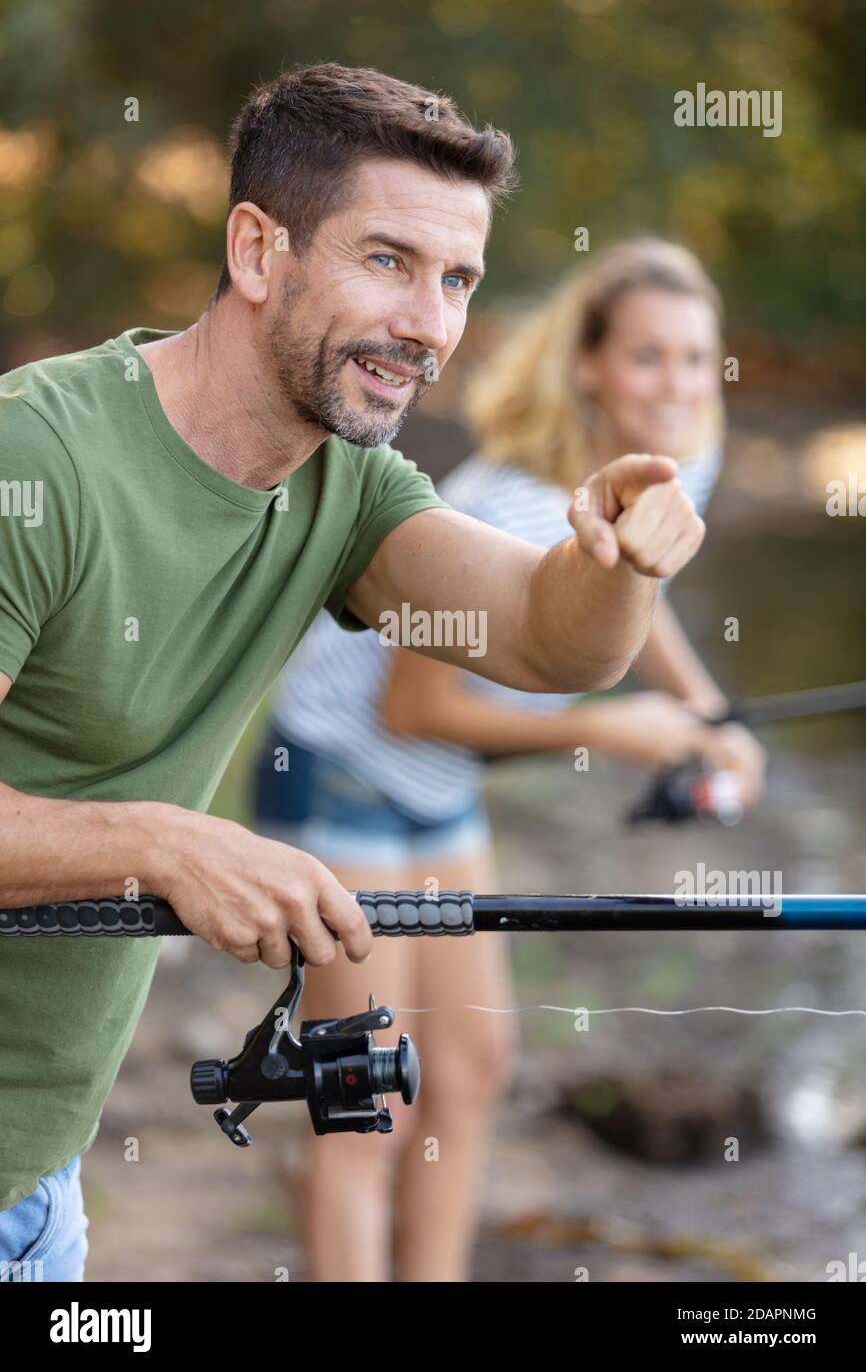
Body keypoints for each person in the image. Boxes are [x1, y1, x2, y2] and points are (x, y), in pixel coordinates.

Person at [0, 62, 705, 1281]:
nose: (429, 325)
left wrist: (619, 560)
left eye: (458, 281)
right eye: (387, 261)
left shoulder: (348, 488)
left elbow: (551, 639)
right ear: (257, 250)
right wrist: (168, 843)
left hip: (35, 1175)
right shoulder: (37, 459)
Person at [252, 238, 766, 1282]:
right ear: (587, 366)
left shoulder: (680, 464)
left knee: (474, 1067)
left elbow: (640, 596)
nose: (674, 386)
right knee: (362, 1099)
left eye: (692, 359)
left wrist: (713, 716)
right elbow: (413, 703)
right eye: (646, 358)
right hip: (341, 768)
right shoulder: (511, 506)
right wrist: (604, 728)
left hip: (433, 790)